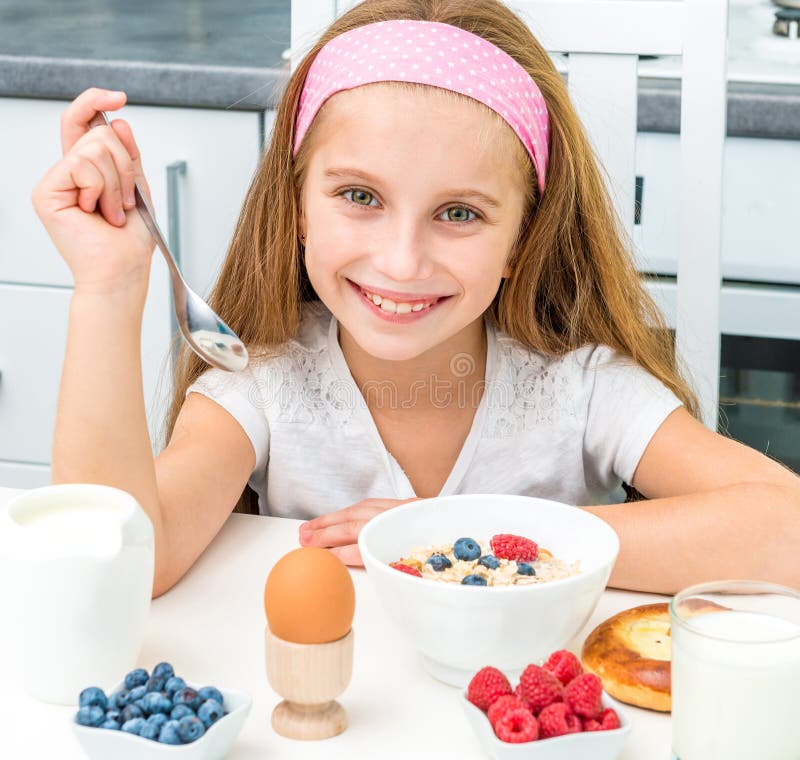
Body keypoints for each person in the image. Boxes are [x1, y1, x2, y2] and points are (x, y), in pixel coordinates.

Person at [32, 0, 799, 598]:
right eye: (360, 195)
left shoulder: (577, 386)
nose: (401, 261)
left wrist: (474, 537)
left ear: (522, 240)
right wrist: (110, 285)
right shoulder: (263, 382)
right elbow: (119, 559)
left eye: (459, 213)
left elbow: (787, 529)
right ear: (298, 206)